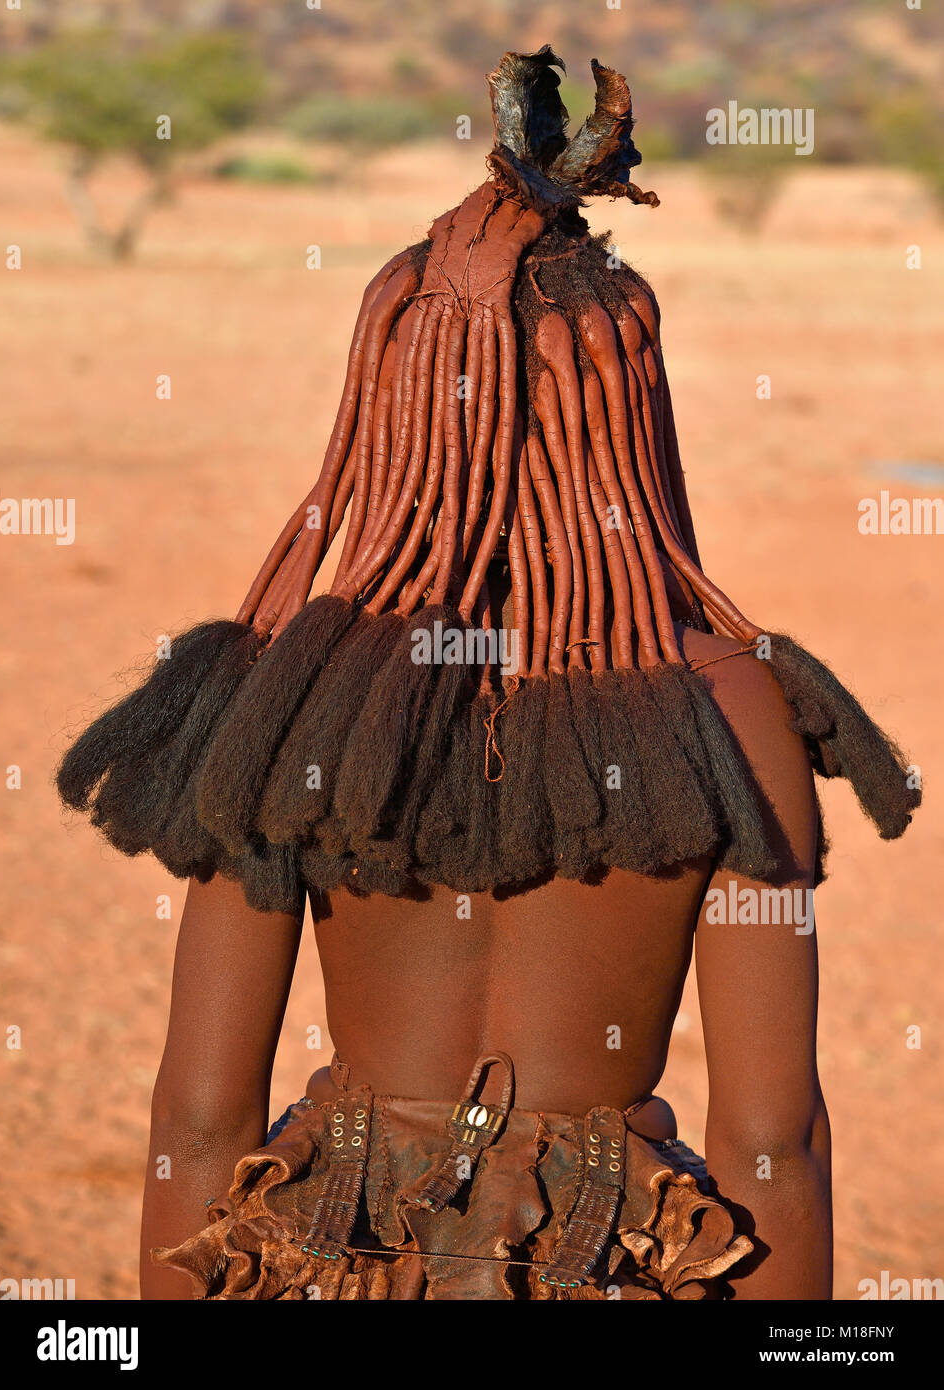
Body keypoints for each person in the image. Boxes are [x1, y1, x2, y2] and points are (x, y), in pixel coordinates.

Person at [58, 49, 918, 1300]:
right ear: (631, 413)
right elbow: (770, 1139)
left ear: (394, 405)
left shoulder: (293, 702)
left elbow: (198, 1121)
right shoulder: (733, 704)